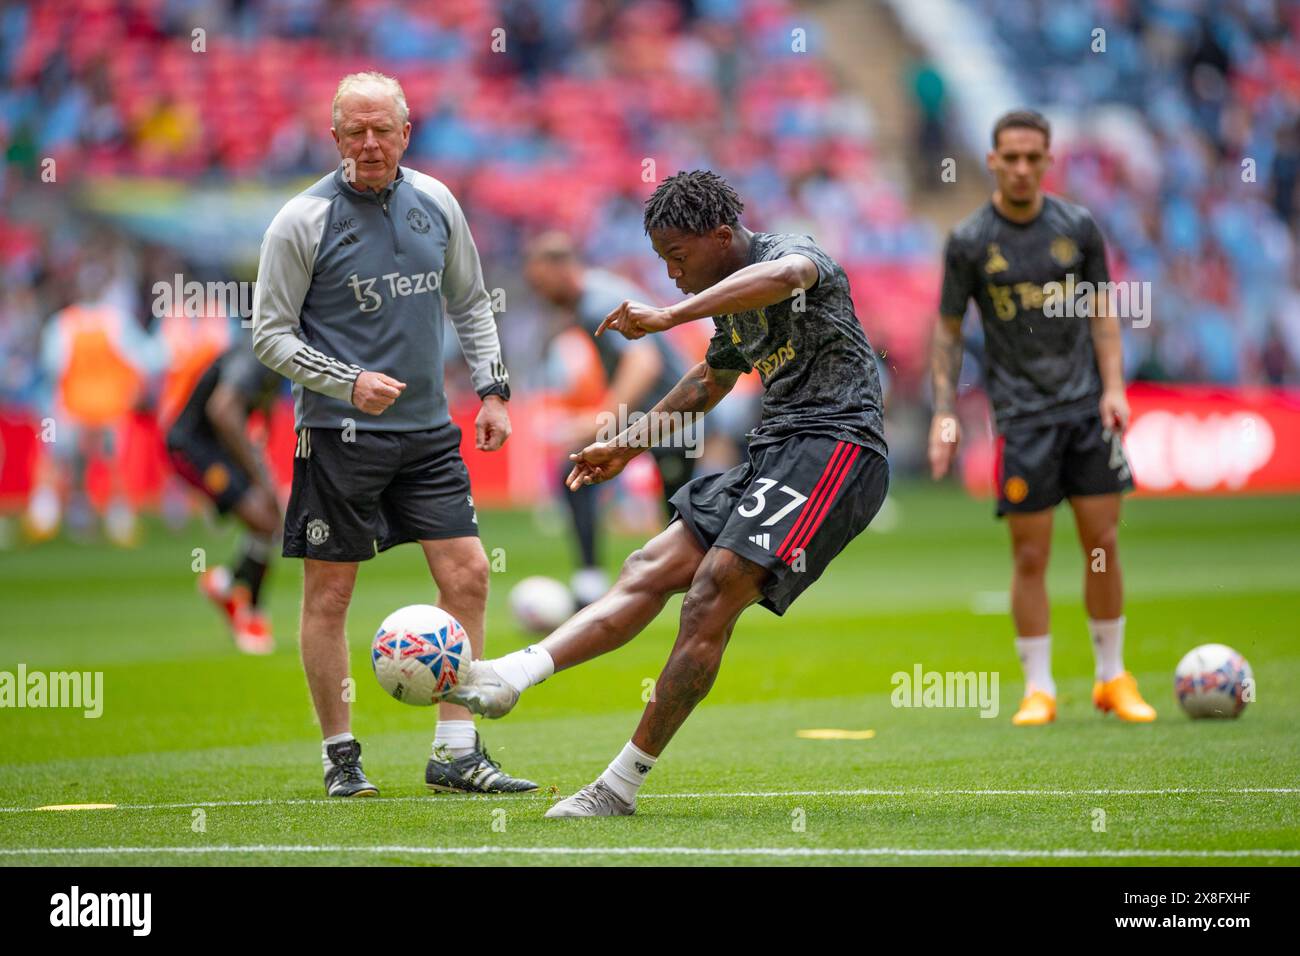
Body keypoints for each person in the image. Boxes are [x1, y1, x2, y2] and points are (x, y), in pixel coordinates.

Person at [452, 170, 890, 818]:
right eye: (663, 262)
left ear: (721, 236)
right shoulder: (727, 304)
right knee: (648, 565)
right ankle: (517, 673)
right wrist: (625, 444)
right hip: (776, 452)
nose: (673, 275)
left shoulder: (790, 255)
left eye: (678, 258)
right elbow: (708, 383)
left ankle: (618, 785)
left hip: (838, 448)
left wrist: (671, 314)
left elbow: (791, 276)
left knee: (712, 590)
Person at [251, 71, 534, 797]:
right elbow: (269, 336)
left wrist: (495, 391)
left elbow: (472, 303)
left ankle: (455, 751)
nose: (371, 144)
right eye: (356, 131)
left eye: (384, 130)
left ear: (407, 132)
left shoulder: (437, 201)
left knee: (468, 575)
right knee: (330, 597)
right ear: (335, 136)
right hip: (339, 437)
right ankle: (341, 757)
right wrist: (347, 382)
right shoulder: (300, 222)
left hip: (428, 434)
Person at [928, 109, 1155, 727]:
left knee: (1102, 544)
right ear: (994, 160)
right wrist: (944, 412)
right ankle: (1040, 687)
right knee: (1030, 557)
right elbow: (948, 334)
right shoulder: (970, 240)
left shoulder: (1077, 228)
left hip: (1086, 412)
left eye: (1035, 157)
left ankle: (1111, 678)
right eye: (1012, 157)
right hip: (1022, 420)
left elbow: (1104, 316)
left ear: (1048, 160)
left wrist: (1114, 389)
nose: (1023, 168)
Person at [523, 231, 696, 605]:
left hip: (674, 415)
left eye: (541, 283)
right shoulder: (596, 296)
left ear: (562, 268)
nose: (540, 293)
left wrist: (603, 417)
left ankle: (690, 583)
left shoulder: (595, 302)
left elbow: (643, 362)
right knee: (582, 470)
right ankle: (596, 582)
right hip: (656, 412)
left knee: (680, 512)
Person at [165, 334, 283, 653]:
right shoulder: (255, 353)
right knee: (266, 520)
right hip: (193, 448)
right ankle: (250, 612)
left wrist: (262, 465)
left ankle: (227, 586)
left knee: (272, 521)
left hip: (221, 447)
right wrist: (261, 479)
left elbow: (261, 407)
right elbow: (222, 410)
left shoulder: (276, 356)